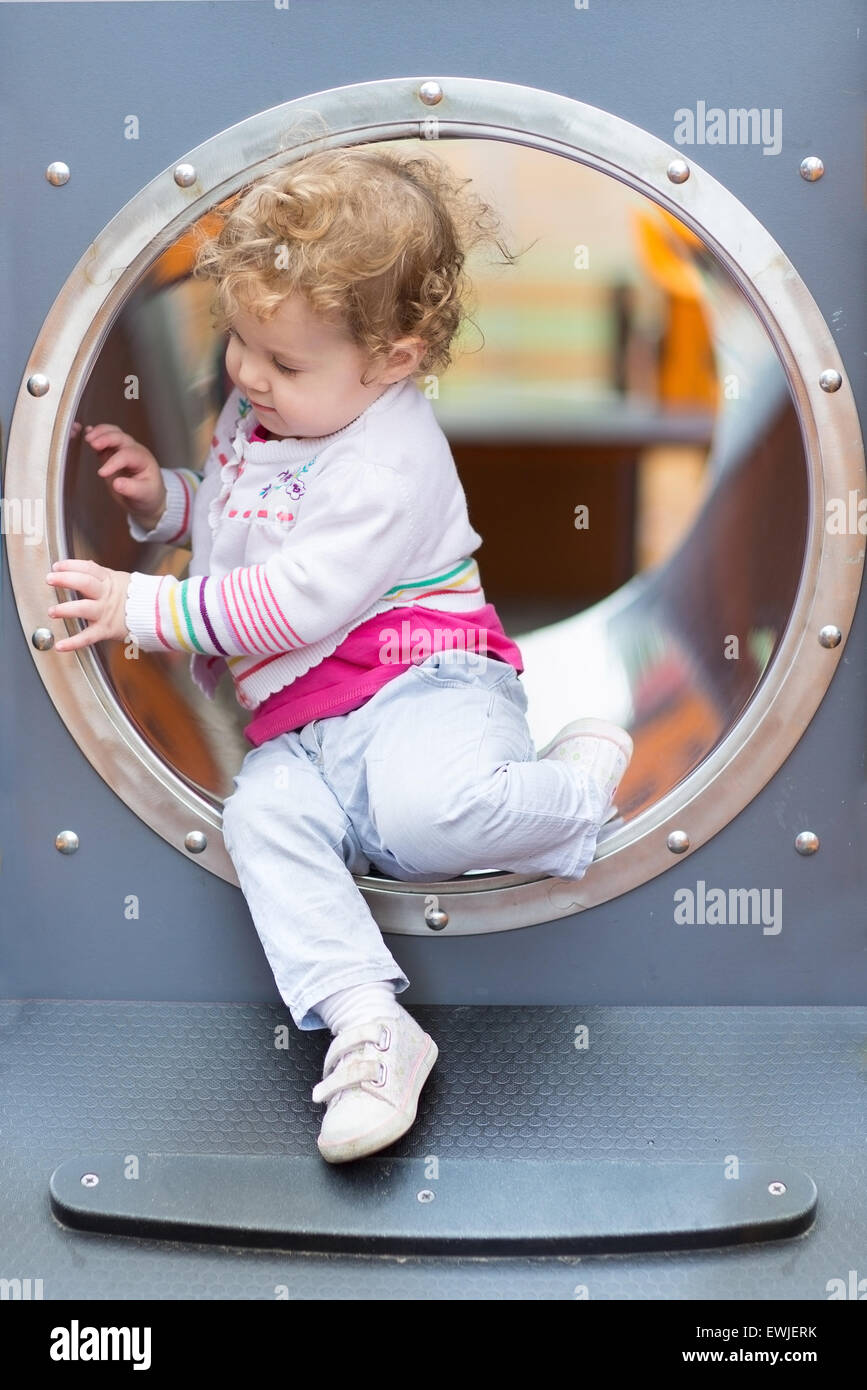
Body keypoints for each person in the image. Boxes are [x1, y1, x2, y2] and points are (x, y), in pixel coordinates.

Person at [46, 146, 633, 1164]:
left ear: (394, 362)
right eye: (238, 341)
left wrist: (146, 605)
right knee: (262, 821)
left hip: (424, 685)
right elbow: (253, 522)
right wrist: (169, 501)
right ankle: (369, 1026)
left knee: (424, 821)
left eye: (282, 364)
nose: (247, 375)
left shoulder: (388, 460)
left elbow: (293, 597)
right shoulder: (273, 410)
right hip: (304, 728)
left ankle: (573, 790)